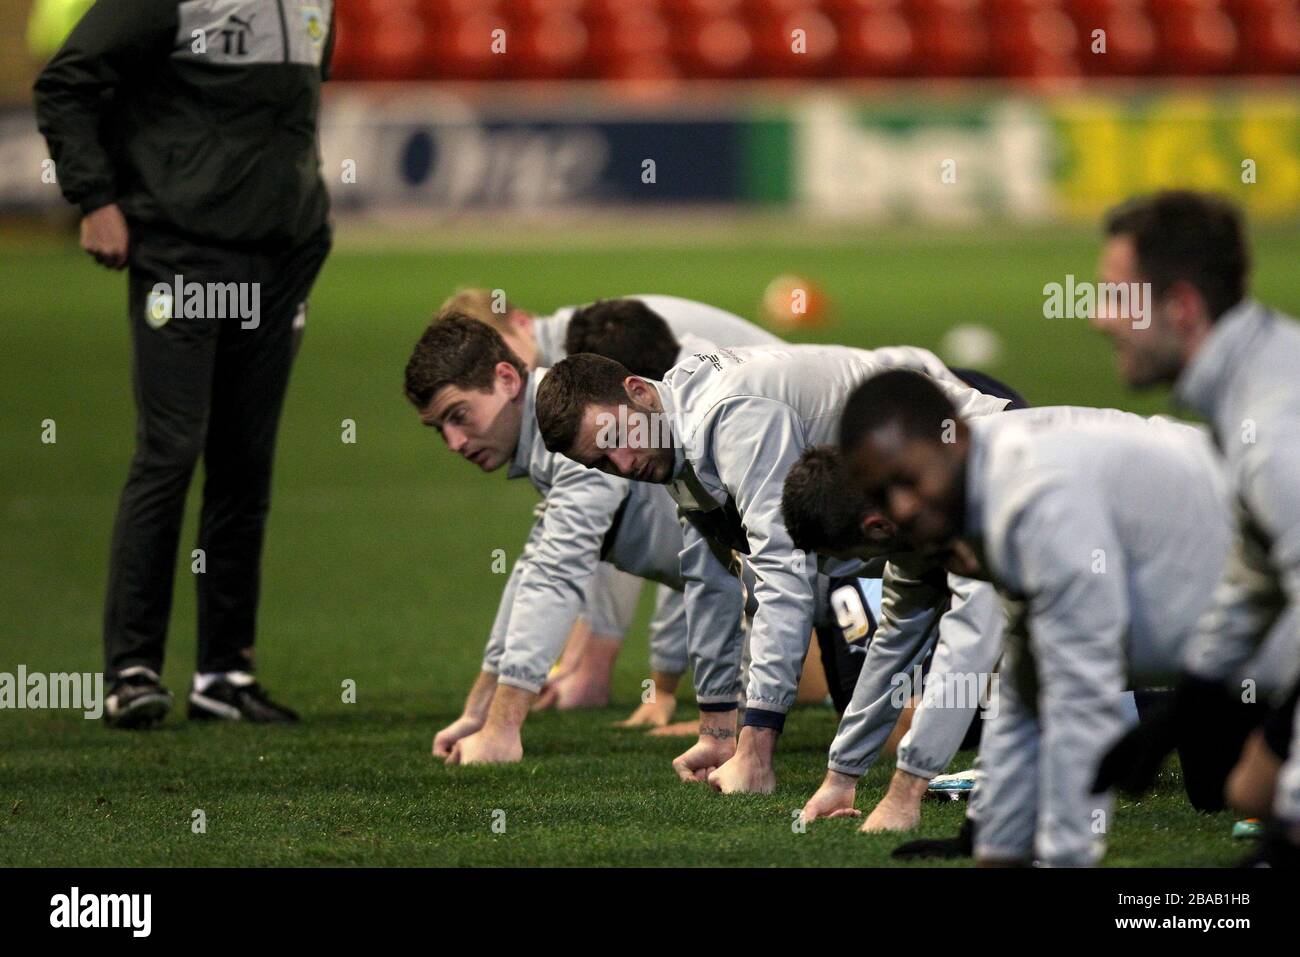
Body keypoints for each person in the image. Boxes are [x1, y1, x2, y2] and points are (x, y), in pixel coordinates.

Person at [34, 0, 335, 726]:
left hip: (282, 257)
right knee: (171, 450)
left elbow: (291, 112)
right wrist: (95, 197)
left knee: (244, 461)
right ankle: (132, 669)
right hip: (187, 255)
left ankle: (224, 673)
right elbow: (66, 81)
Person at [534, 343, 1009, 793]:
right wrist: (719, 729)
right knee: (911, 653)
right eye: (601, 462)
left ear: (638, 391)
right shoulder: (667, 434)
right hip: (913, 530)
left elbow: (783, 575)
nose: (622, 462)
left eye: (617, 438)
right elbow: (710, 576)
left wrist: (757, 750)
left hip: (992, 474)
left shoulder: (732, 415)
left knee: (988, 659)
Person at [840, 371, 1233, 865]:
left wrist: (1061, 856)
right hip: (1239, 641)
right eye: (880, 495)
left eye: (908, 481)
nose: (900, 508)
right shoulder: (983, 495)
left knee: (1257, 797)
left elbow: (1078, 702)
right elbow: (1025, 688)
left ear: (954, 439)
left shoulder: (1033, 499)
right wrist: (991, 842)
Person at [444, 290, 781, 721]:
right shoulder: (590, 353)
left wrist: (603, 667)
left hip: (789, 464)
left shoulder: (593, 370)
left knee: (802, 641)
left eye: (497, 363)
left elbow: (678, 527)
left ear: (524, 325)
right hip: (770, 458)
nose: (497, 381)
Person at [403, 314, 723, 764]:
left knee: (820, 693)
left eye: (458, 416)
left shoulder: (578, 425)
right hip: (781, 579)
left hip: (818, 578)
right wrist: (478, 713)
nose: (454, 442)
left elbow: (555, 576)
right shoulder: (559, 427)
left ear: (507, 378)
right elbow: (536, 566)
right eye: (440, 430)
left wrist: (502, 731)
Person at [1088, 190, 1300, 865]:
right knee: (1247, 788)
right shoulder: (1258, 379)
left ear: (1181, 307)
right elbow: (1258, 565)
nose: (1097, 318)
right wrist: (1194, 694)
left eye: (1117, 298)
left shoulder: (1271, 428)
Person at [782, 446, 1004, 833]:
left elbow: (970, 646)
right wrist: (841, 776)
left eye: (845, 560)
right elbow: (896, 642)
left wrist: (905, 792)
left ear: (876, 528)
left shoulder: (973, 504)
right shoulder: (913, 519)